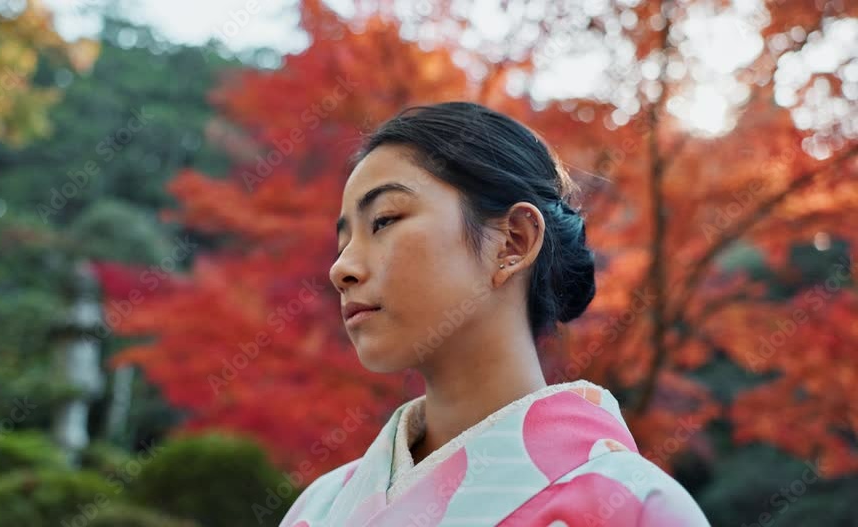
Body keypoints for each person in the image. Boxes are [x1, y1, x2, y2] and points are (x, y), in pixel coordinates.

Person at [280, 102, 710, 526]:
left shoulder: (634, 507)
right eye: (343, 244)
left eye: (384, 220)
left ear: (513, 242)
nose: (340, 269)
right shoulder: (317, 507)